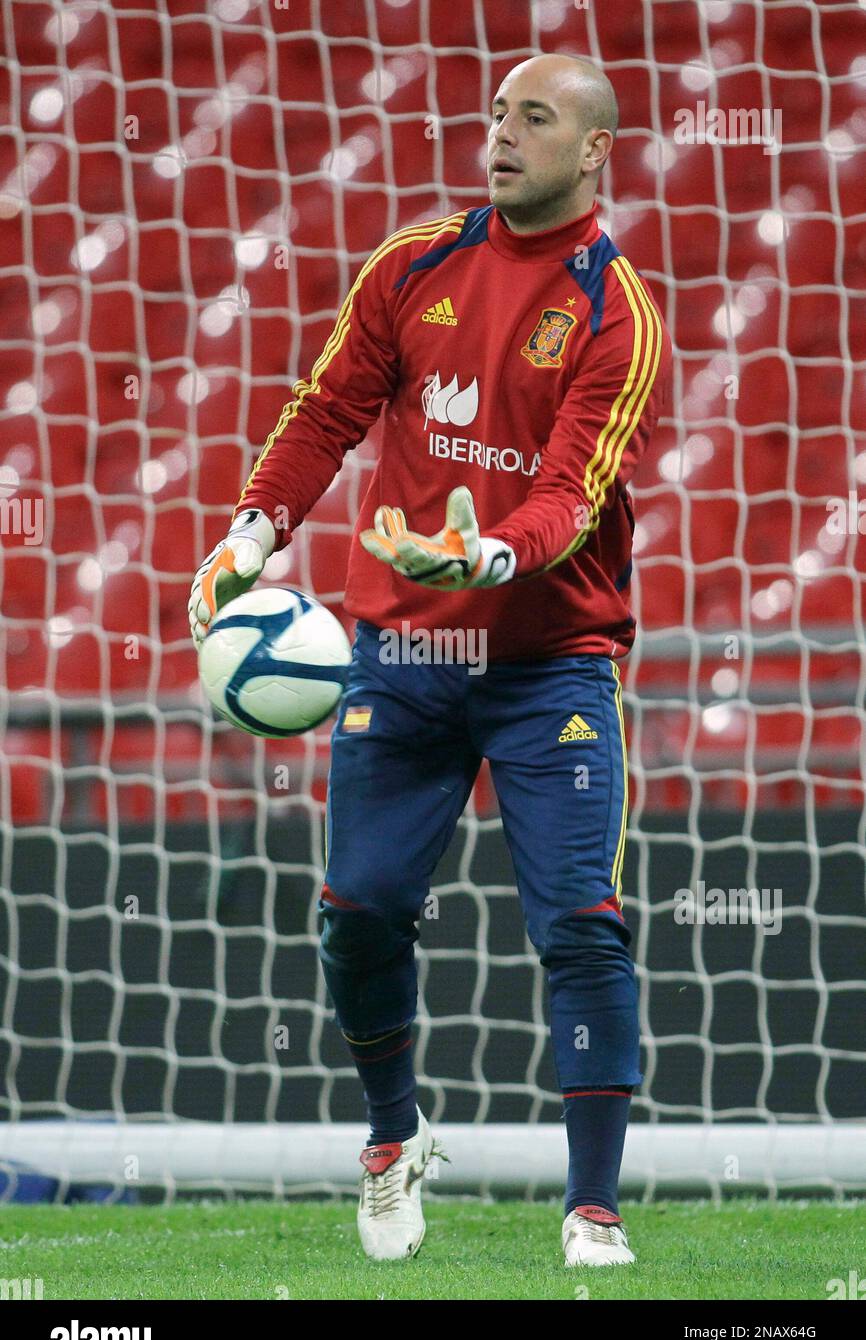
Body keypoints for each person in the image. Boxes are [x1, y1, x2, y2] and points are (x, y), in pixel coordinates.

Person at [189, 52, 672, 1268]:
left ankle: (592, 1207)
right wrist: (250, 533)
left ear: (595, 148)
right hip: (400, 651)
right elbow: (325, 410)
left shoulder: (615, 312)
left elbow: (572, 491)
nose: (501, 132)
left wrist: (491, 562)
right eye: (498, 111)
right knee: (357, 915)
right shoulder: (410, 266)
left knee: (579, 925)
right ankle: (391, 1141)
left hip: (550, 662)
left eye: (535, 117)